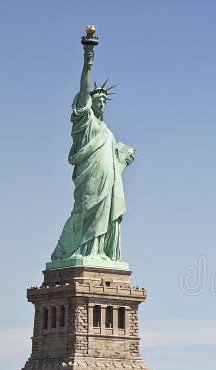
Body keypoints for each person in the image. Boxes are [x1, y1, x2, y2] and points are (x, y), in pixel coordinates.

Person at [51, 32, 135, 265]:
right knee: (84, 211)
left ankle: (98, 252)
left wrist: (123, 160)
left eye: (105, 101)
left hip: (107, 181)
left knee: (104, 214)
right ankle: (73, 251)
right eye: (99, 100)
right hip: (89, 177)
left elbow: (113, 166)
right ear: (90, 102)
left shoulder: (108, 133)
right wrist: (88, 59)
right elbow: (83, 88)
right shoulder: (85, 121)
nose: (102, 103)